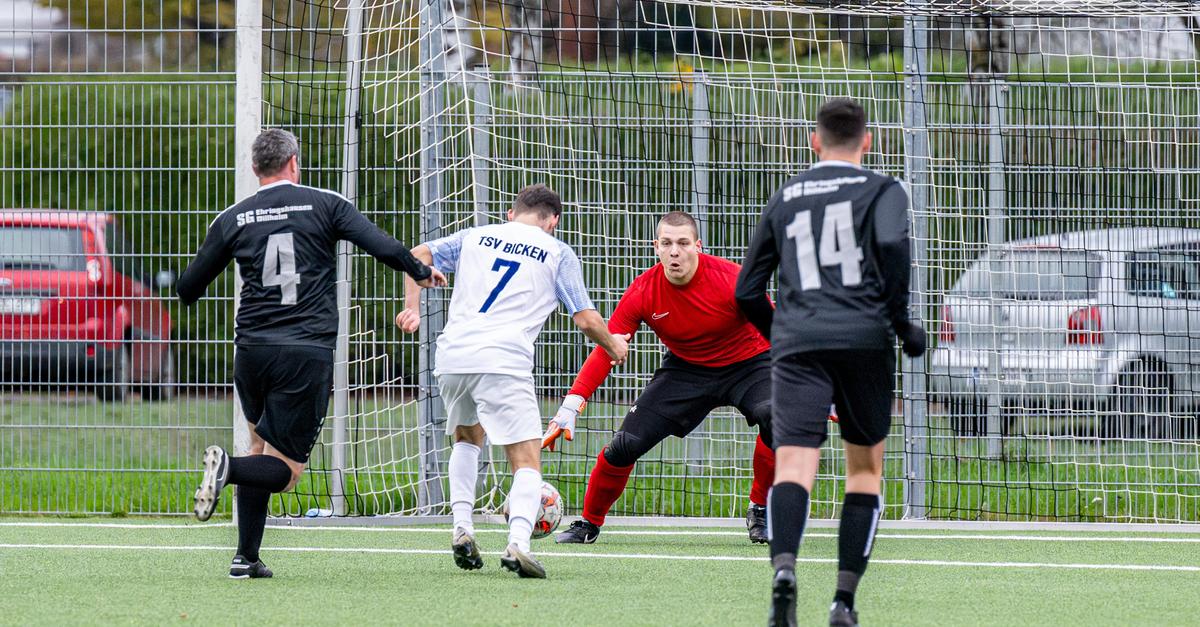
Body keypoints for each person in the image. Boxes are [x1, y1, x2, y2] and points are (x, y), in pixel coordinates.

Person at [178, 129, 446, 579]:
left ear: (254, 169)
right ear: (294, 163)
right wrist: (419, 272)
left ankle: (246, 557)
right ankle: (226, 467)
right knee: (285, 472)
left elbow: (188, 288)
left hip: (252, 353)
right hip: (304, 353)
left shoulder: (233, 217)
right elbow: (381, 245)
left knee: (261, 447)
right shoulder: (325, 204)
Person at [734, 98, 926, 627]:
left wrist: (785, 337)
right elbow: (890, 247)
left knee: (793, 465)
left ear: (814, 141)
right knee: (863, 472)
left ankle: (784, 572)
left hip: (799, 346)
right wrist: (902, 322)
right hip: (865, 341)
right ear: (868, 141)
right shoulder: (884, 190)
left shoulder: (787, 195)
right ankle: (843, 602)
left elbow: (747, 290)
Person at [396, 183, 629, 579]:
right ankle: (518, 542)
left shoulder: (477, 236)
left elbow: (417, 255)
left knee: (467, 439)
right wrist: (614, 346)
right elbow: (586, 318)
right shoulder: (556, 251)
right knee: (526, 459)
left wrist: (411, 309)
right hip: (503, 360)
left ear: (511, 212)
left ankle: (462, 529)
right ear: (553, 220)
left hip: (453, 356)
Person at [547, 210, 781, 545]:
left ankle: (759, 509)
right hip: (686, 370)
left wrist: (812, 386)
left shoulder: (733, 279)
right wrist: (571, 405)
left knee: (779, 416)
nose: (675, 251)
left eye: (683, 243)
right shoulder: (643, 289)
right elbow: (608, 347)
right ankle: (587, 523)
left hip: (751, 364)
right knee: (624, 445)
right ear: (655, 247)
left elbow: (780, 331)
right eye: (667, 243)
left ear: (697, 246)